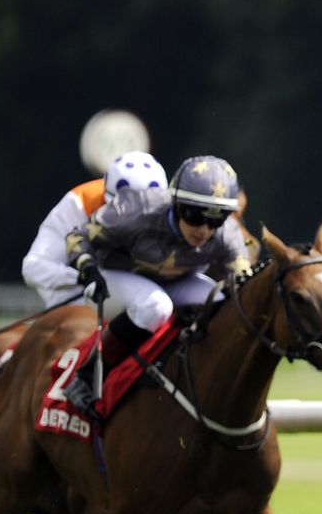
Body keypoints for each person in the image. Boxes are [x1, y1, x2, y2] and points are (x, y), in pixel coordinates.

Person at [62, 155, 252, 415]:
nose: (204, 230)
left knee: (217, 303)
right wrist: (87, 267)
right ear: (176, 203)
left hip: (172, 281)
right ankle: (85, 376)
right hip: (114, 277)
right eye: (195, 215)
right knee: (155, 305)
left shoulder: (227, 235)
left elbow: (244, 285)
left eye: (217, 219)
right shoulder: (135, 211)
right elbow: (77, 236)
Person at [22, 152, 168, 306]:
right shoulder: (80, 202)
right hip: (81, 296)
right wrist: (83, 277)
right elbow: (33, 268)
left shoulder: (174, 209)